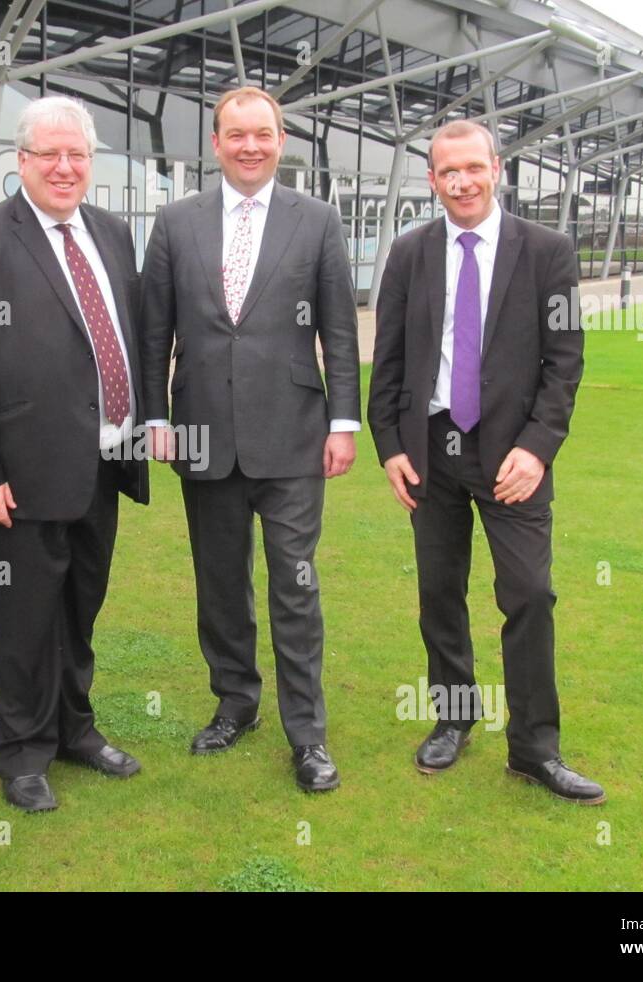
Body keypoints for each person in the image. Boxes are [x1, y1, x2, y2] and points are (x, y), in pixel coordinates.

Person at [368, 119, 604, 804]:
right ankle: (454, 717)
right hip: (431, 450)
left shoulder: (548, 251)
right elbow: (387, 360)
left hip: (513, 455)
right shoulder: (409, 253)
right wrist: (390, 447)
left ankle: (534, 749)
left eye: (473, 167)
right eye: (449, 171)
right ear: (432, 179)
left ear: (496, 168)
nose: (462, 181)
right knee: (440, 592)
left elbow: (565, 362)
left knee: (529, 593)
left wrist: (537, 447)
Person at [140, 86, 361, 792]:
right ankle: (236, 703)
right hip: (202, 433)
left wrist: (344, 422)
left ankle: (308, 735)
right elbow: (153, 330)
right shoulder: (176, 223)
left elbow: (340, 329)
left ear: (281, 140)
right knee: (220, 583)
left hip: (294, 435)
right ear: (215, 143)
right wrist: (154, 418)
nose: (250, 146)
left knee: (295, 584)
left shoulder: (317, 220)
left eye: (262, 134)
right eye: (236, 134)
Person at [0, 96, 149, 813]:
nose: (64, 167)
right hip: (17, 477)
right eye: (49, 154)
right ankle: (22, 751)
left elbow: (122, 334)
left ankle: (74, 730)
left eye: (76, 155)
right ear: (21, 161)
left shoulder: (112, 233)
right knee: (20, 620)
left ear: (91, 162)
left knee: (80, 610)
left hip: (101, 465)